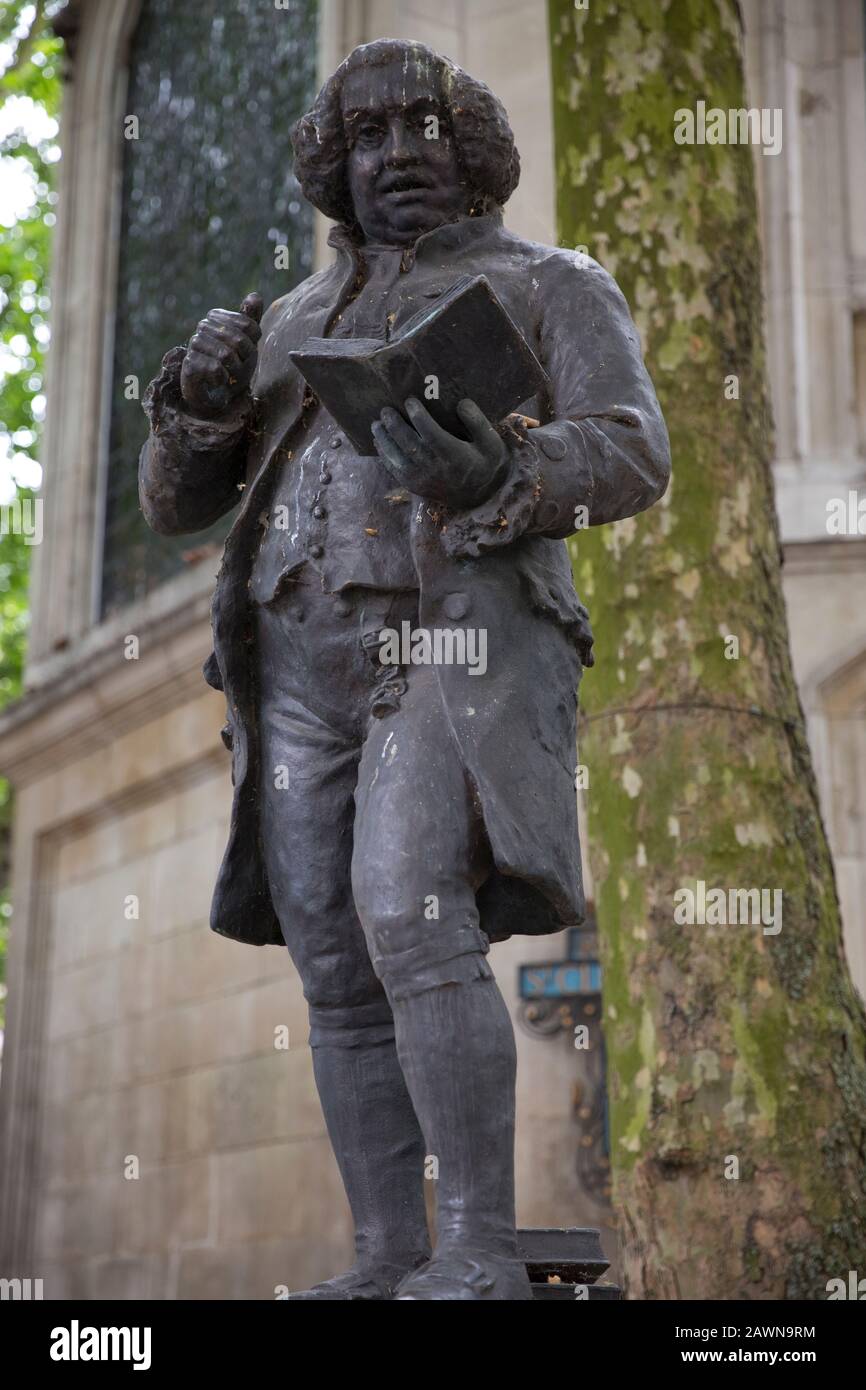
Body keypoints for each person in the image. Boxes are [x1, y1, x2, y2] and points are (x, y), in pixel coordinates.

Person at [139, 39, 670, 1300]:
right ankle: (386, 1252)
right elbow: (174, 509)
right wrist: (201, 407)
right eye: (367, 138)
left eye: (423, 130)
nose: (397, 156)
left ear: (469, 149)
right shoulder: (284, 321)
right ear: (335, 168)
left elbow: (634, 453)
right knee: (330, 956)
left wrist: (499, 472)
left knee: (412, 912)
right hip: (292, 665)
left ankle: (480, 1246)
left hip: (446, 644)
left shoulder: (550, 281)